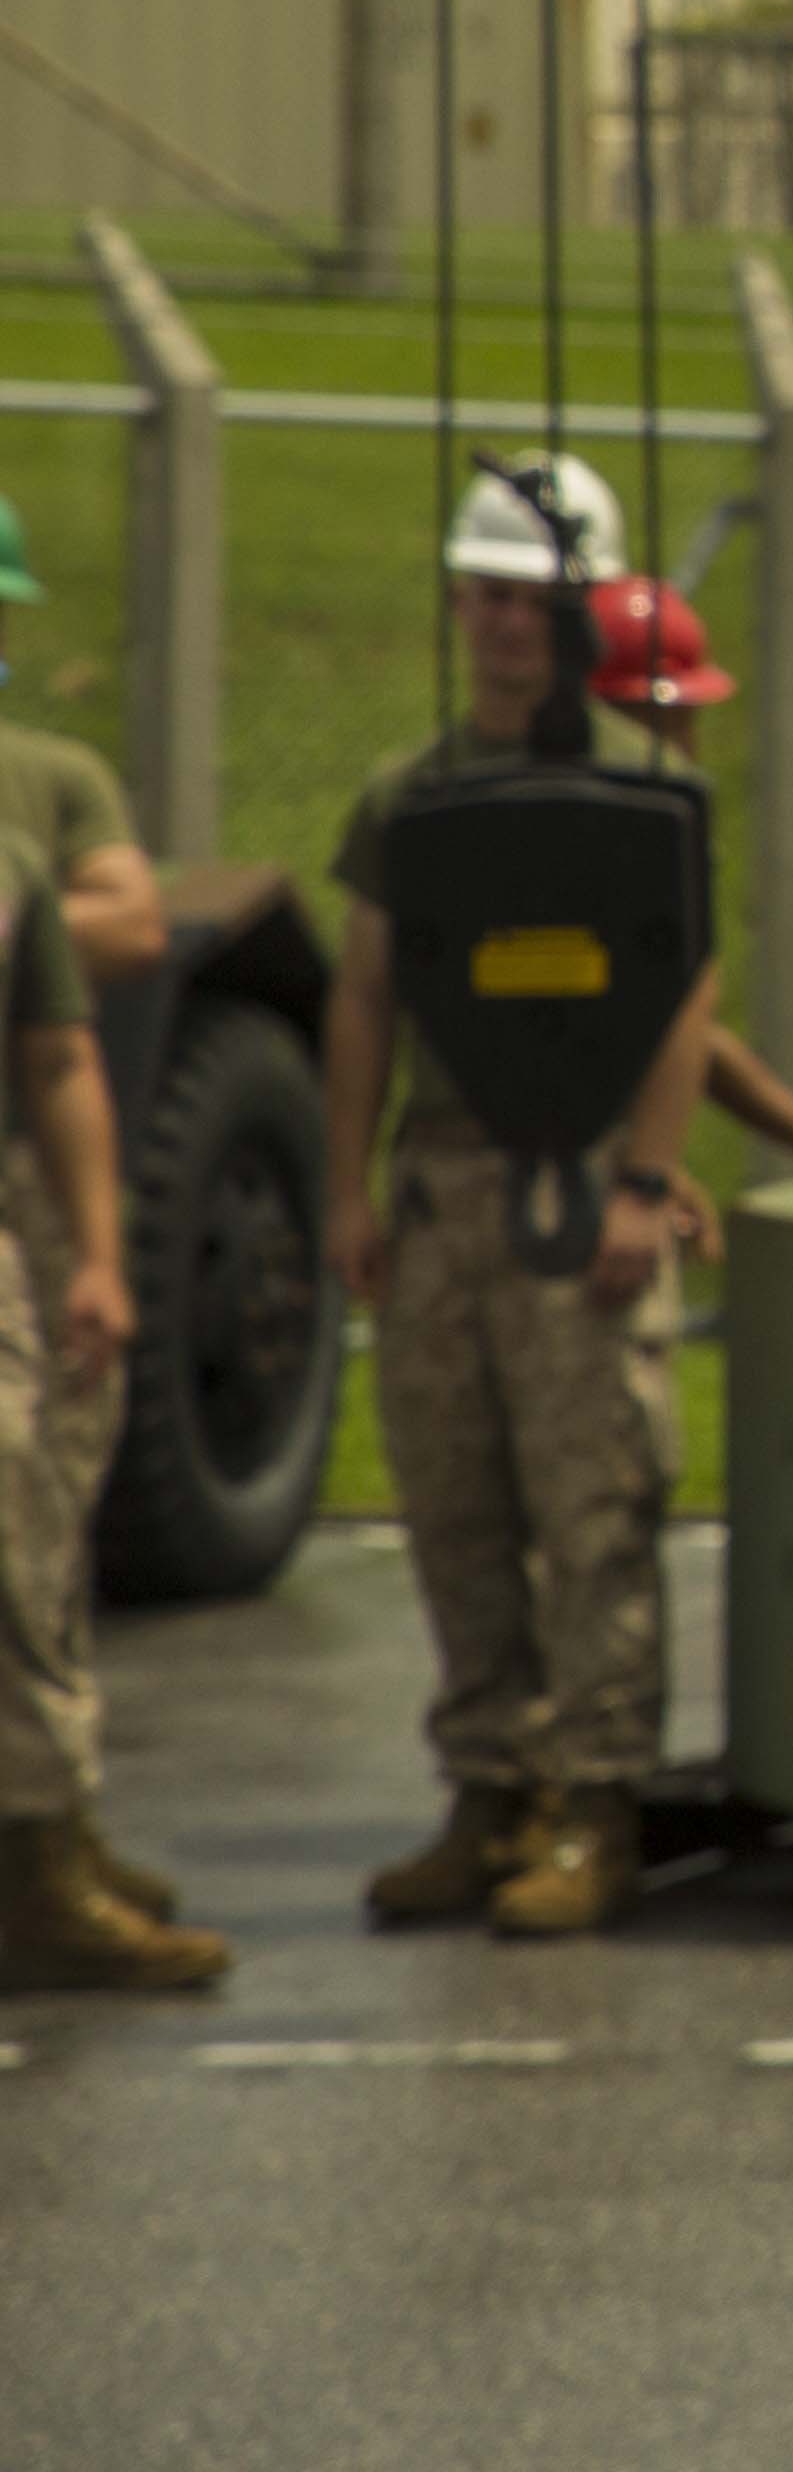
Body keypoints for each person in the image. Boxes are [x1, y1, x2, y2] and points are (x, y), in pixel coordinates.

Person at [322, 457, 725, 1942]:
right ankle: (487, 1791)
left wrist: (644, 1181)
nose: (505, 630)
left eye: (535, 603)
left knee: (595, 1501)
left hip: (584, 1186)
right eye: (484, 598)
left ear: (589, 615)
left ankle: (596, 1804)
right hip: (441, 1187)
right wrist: (349, 1185)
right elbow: (364, 993)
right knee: (454, 1502)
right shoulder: (410, 797)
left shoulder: (649, 791)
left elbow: (686, 998)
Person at [0, 492, 189, 1953]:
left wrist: (103, 1257)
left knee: (32, 1519)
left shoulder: (31, 814)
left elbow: (86, 1011)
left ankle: (49, 1837)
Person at [0, 825, 219, 1989]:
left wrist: (93, 1254)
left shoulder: (10, 863)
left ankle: (40, 1868)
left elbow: (58, 1061)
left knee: (20, 1543)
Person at [588, 579, 793, 1179]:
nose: (677, 749)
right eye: (649, 724)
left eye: (683, 722)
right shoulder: (584, 839)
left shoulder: (658, 836)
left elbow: (674, 1024)